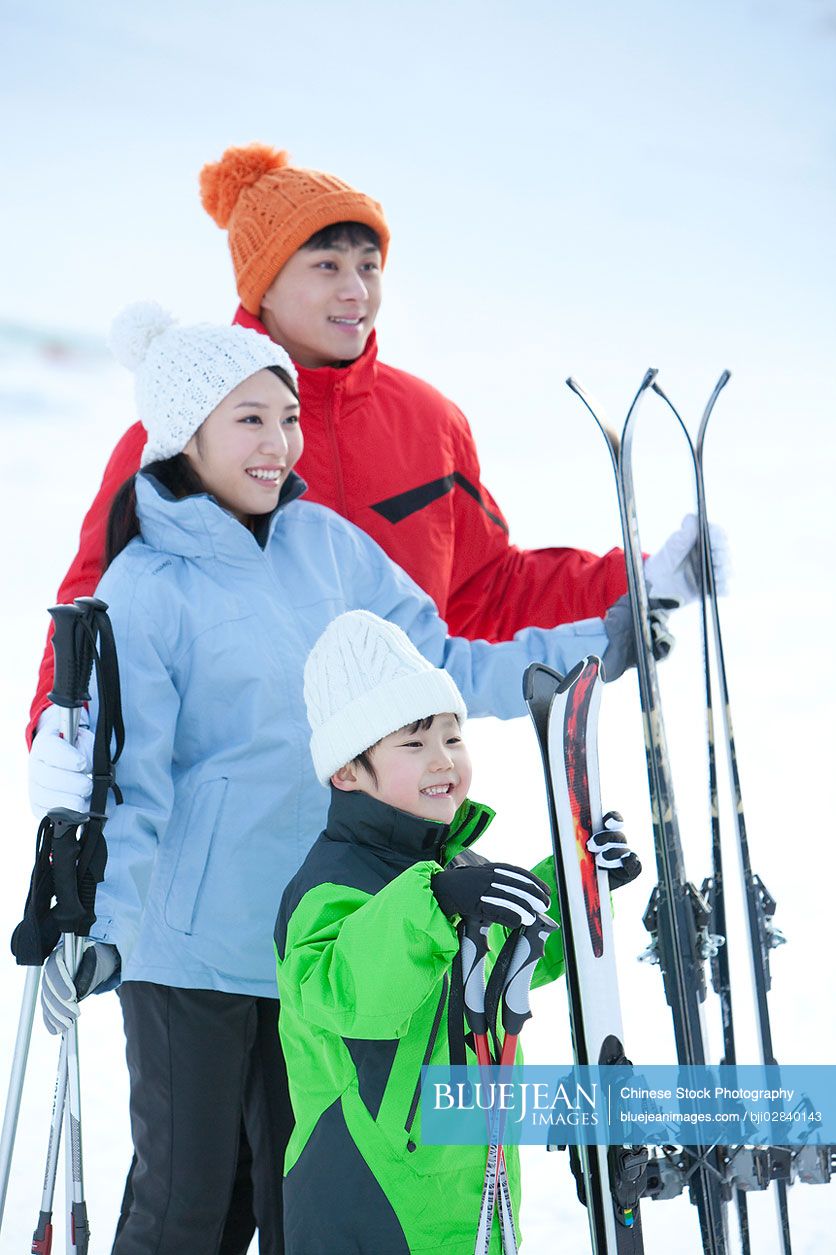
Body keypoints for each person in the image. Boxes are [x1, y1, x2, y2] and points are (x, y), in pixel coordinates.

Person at [31, 304, 655, 1255]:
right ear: (183, 433)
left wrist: (592, 648)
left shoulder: (327, 544)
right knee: (191, 1206)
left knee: (310, 1204)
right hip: (195, 955)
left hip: (336, 928)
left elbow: (440, 662)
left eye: (288, 417)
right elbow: (136, 786)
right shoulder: (145, 586)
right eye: (250, 419)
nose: (280, 442)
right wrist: (104, 929)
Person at [26, 142, 722, 747]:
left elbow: (484, 589)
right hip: (227, 794)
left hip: (397, 791)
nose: (356, 289)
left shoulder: (428, 419)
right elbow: (94, 601)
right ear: (264, 283)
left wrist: (642, 577)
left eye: (370, 265)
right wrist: (60, 739)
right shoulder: (184, 428)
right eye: (326, 266)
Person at [275, 609, 641, 1254]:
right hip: (367, 1189)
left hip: (471, 1177)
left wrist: (576, 884)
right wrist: (434, 902)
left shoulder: (454, 870)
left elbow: (513, 960)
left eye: (452, 737)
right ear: (346, 772)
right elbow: (348, 995)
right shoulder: (329, 886)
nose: (443, 760)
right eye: (413, 745)